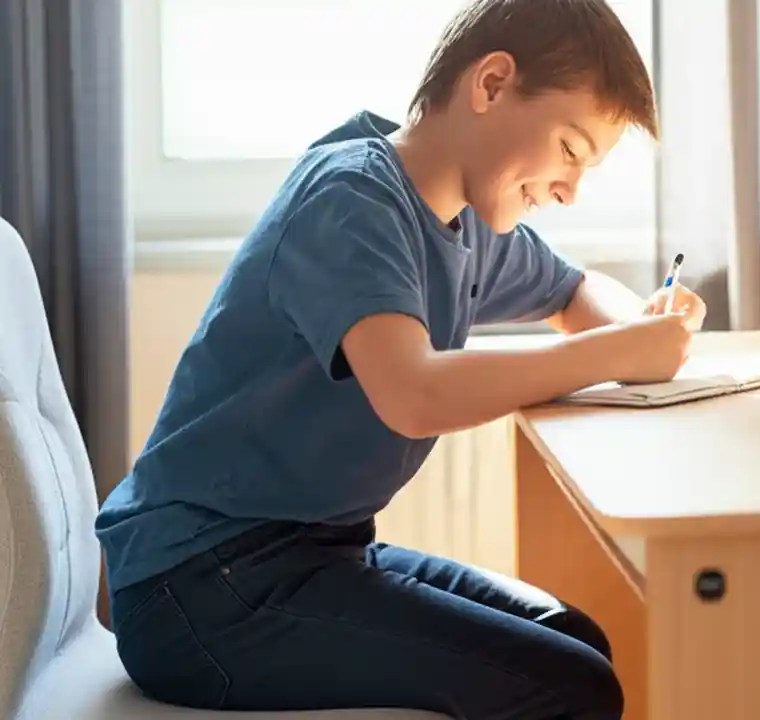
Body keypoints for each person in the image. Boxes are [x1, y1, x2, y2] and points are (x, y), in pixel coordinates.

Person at [95, 1, 704, 717]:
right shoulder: (352, 196)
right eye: (570, 149)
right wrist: (614, 350)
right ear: (492, 84)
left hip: (312, 556)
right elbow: (413, 393)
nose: (570, 190)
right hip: (202, 586)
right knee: (570, 686)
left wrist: (640, 323)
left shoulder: (464, 219)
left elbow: (573, 290)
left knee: (575, 641)